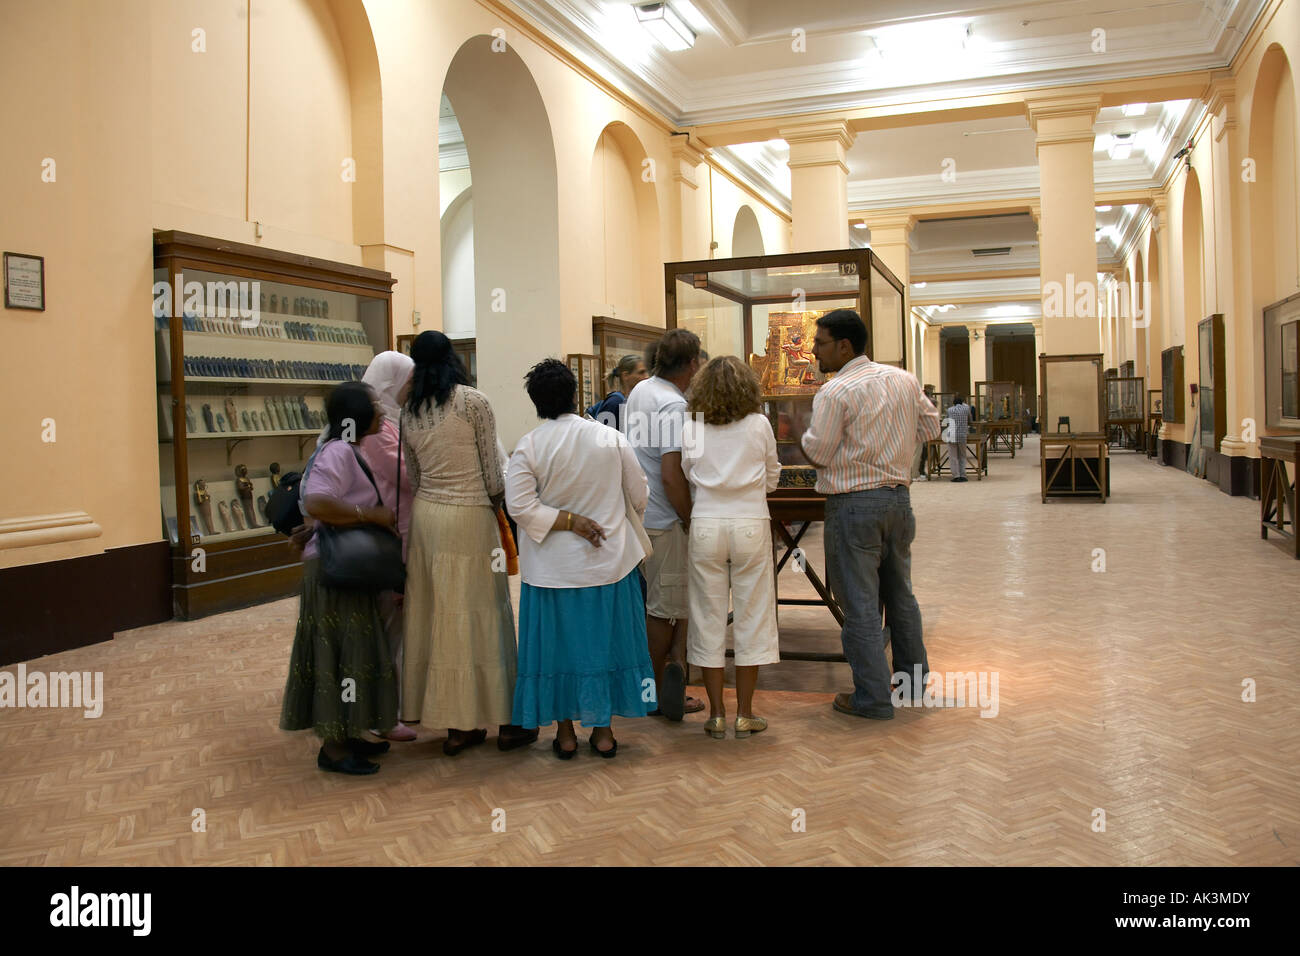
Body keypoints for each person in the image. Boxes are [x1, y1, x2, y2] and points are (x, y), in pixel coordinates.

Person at [506, 359, 655, 758]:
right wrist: (615, 522)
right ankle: (603, 732)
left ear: (536, 402)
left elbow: (518, 505)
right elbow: (639, 494)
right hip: (607, 562)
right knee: (603, 647)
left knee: (558, 649)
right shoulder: (608, 437)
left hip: (550, 570)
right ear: (576, 395)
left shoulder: (530, 445)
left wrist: (566, 521)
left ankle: (566, 733)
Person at [401, 331, 537, 755]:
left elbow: (414, 477)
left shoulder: (407, 412)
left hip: (427, 518)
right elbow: (495, 475)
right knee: (483, 614)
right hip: (471, 517)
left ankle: (456, 726)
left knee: (438, 615)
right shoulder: (472, 402)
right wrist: (502, 508)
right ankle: (505, 721)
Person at [800, 309, 940, 720]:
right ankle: (912, 684)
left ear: (844, 346)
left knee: (859, 603)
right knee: (901, 595)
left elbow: (821, 453)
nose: (813, 351)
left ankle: (872, 698)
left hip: (853, 504)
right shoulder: (903, 379)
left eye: (820, 343)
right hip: (898, 500)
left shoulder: (835, 391)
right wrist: (892, 445)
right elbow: (931, 429)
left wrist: (803, 437)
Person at [280, 381, 399, 774]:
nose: (382, 412)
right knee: (338, 652)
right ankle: (333, 748)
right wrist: (372, 516)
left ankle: (347, 733)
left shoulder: (347, 450)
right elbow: (316, 501)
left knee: (355, 650)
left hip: (346, 568)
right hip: (335, 572)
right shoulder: (338, 452)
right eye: (374, 407)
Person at [682, 356, 781, 739]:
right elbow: (773, 475)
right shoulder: (760, 424)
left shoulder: (691, 424)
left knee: (707, 616)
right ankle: (745, 713)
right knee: (752, 615)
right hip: (751, 522)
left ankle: (716, 714)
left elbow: (689, 473)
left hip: (706, 521)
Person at [622, 328, 706, 721]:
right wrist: (690, 518)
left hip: (643, 513)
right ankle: (654, 692)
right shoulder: (673, 405)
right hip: (667, 517)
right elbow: (672, 474)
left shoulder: (641, 390)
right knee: (664, 609)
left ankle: (664, 678)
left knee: (663, 604)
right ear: (692, 364)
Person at [358, 350, 418, 743]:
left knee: (393, 628)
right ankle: (381, 711)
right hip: (387, 542)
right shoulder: (378, 430)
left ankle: (391, 706)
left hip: (397, 537)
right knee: (386, 629)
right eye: (407, 383)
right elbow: (408, 476)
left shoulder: (388, 424)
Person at [586, 354, 649, 428]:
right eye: (641, 372)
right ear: (625, 375)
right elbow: (603, 437)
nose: (647, 377)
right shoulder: (615, 402)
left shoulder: (634, 401)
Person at [947, 394, 972, 483]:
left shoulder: (949, 410)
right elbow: (970, 420)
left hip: (952, 435)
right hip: (962, 435)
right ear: (962, 402)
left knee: (953, 456)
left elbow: (947, 421)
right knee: (962, 455)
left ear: (953, 403)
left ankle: (956, 475)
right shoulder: (966, 409)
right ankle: (963, 475)